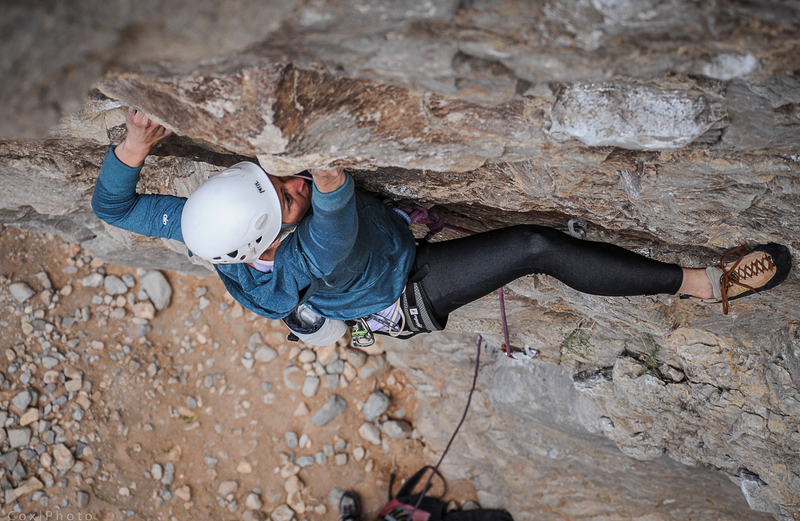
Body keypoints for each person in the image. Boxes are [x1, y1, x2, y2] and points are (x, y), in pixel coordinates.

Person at [92, 109, 792, 347]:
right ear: (272, 239)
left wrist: (134, 143)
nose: (293, 181)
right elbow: (329, 182)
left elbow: (113, 209)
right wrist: (320, 179)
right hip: (400, 290)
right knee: (533, 246)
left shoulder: (206, 228)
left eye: (278, 176)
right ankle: (704, 283)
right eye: (285, 197)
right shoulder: (322, 246)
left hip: (355, 278)